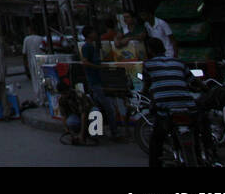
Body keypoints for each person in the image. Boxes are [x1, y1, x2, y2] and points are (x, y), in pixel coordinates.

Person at [142, 37, 215, 166]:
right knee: (198, 131)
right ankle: (207, 155)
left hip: (165, 108)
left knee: (156, 141)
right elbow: (193, 80)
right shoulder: (179, 62)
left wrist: (143, 92)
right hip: (188, 106)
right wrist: (205, 87)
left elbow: (147, 85)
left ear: (149, 50)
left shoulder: (148, 64)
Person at [79, 25, 124, 141]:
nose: (96, 34)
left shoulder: (92, 47)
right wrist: (99, 67)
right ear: (89, 34)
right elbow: (85, 62)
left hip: (98, 81)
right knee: (109, 109)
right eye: (93, 32)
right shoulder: (87, 47)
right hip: (95, 82)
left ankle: (97, 132)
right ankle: (114, 133)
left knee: (99, 108)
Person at [22, 21, 46, 106]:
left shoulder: (27, 39)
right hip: (41, 60)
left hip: (32, 61)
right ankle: (43, 97)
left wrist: (25, 64)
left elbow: (24, 53)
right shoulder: (41, 38)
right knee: (42, 78)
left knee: (36, 80)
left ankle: (39, 98)